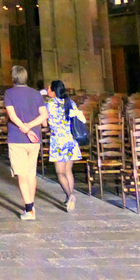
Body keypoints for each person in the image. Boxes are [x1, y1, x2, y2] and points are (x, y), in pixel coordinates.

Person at [4, 64, 48, 220]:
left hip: (17, 138)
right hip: (34, 138)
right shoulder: (36, 93)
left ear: (13, 78)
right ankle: (31, 205)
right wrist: (30, 127)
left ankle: (29, 210)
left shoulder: (9, 93)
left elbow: (12, 116)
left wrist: (25, 128)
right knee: (31, 173)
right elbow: (44, 115)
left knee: (22, 175)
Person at [45, 79, 87, 211]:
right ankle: (69, 197)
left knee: (60, 172)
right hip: (71, 140)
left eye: (48, 89)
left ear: (53, 91)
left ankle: (70, 196)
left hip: (58, 141)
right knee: (68, 171)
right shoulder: (71, 102)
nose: (47, 90)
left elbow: (45, 124)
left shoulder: (49, 104)